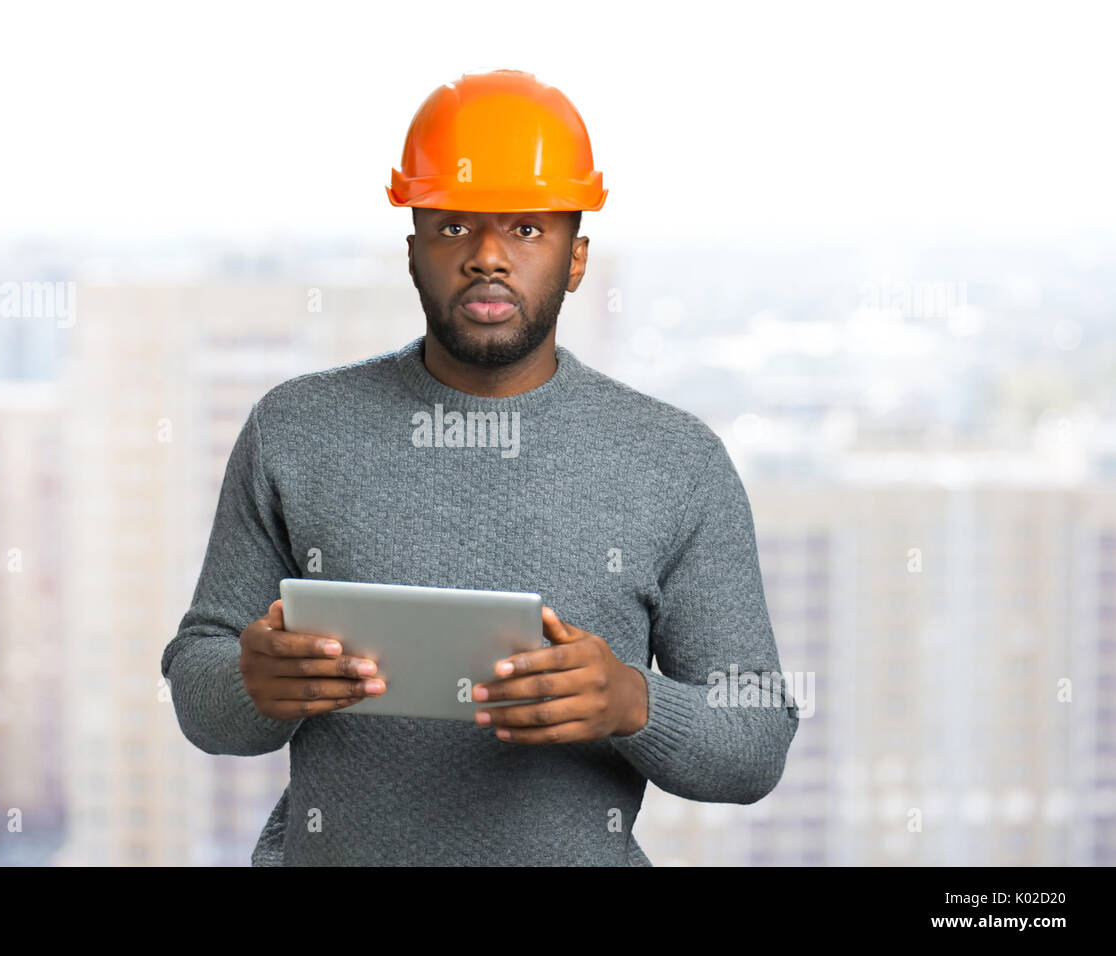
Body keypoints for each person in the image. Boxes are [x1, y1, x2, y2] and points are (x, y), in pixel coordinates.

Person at [161, 69, 799, 865]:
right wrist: (251, 685)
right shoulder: (296, 430)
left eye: (527, 229)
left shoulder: (675, 462)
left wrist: (634, 701)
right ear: (413, 251)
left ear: (577, 259)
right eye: (455, 227)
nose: (488, 257)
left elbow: (758, 738)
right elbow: (198, 680)